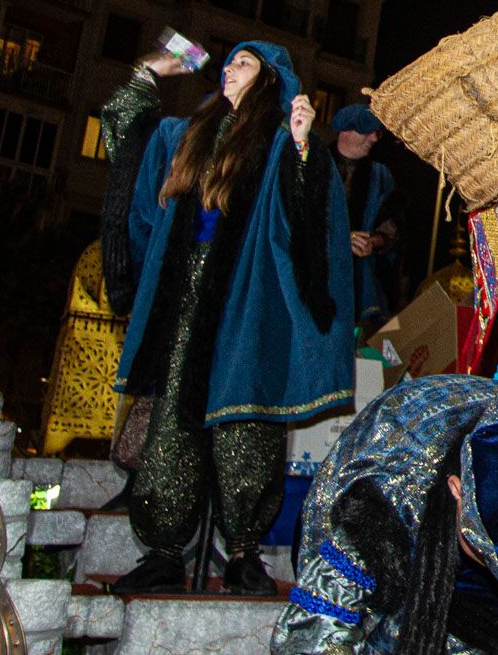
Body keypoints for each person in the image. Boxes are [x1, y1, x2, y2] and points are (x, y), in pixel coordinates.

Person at [98, 42, 356, 595]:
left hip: (248, 295)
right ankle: (164, 550)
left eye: (244, 63)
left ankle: (242, 554)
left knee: (245, 420)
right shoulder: (184, 134)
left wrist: (306, 145)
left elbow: (310, 222)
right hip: (180, 294)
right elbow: (129, 145)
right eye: (229, 61)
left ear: (267, 80)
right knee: (170, 422)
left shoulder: (278, 143)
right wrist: (145, 74)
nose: (229, 68)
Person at [270, 375, 498, 654]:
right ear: (456, 490)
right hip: (395, 546)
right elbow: (313, 632)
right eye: (484, 551)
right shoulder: (389, 502)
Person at [330, 103, 401, 326]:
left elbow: (393, 222)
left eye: (377, 132)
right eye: (367, 131)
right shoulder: (316, 167)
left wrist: (374, 241)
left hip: (360, 288)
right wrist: (342, 238)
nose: (374, 138)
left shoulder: (380, 176)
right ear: (346, 130)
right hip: (319, 280)